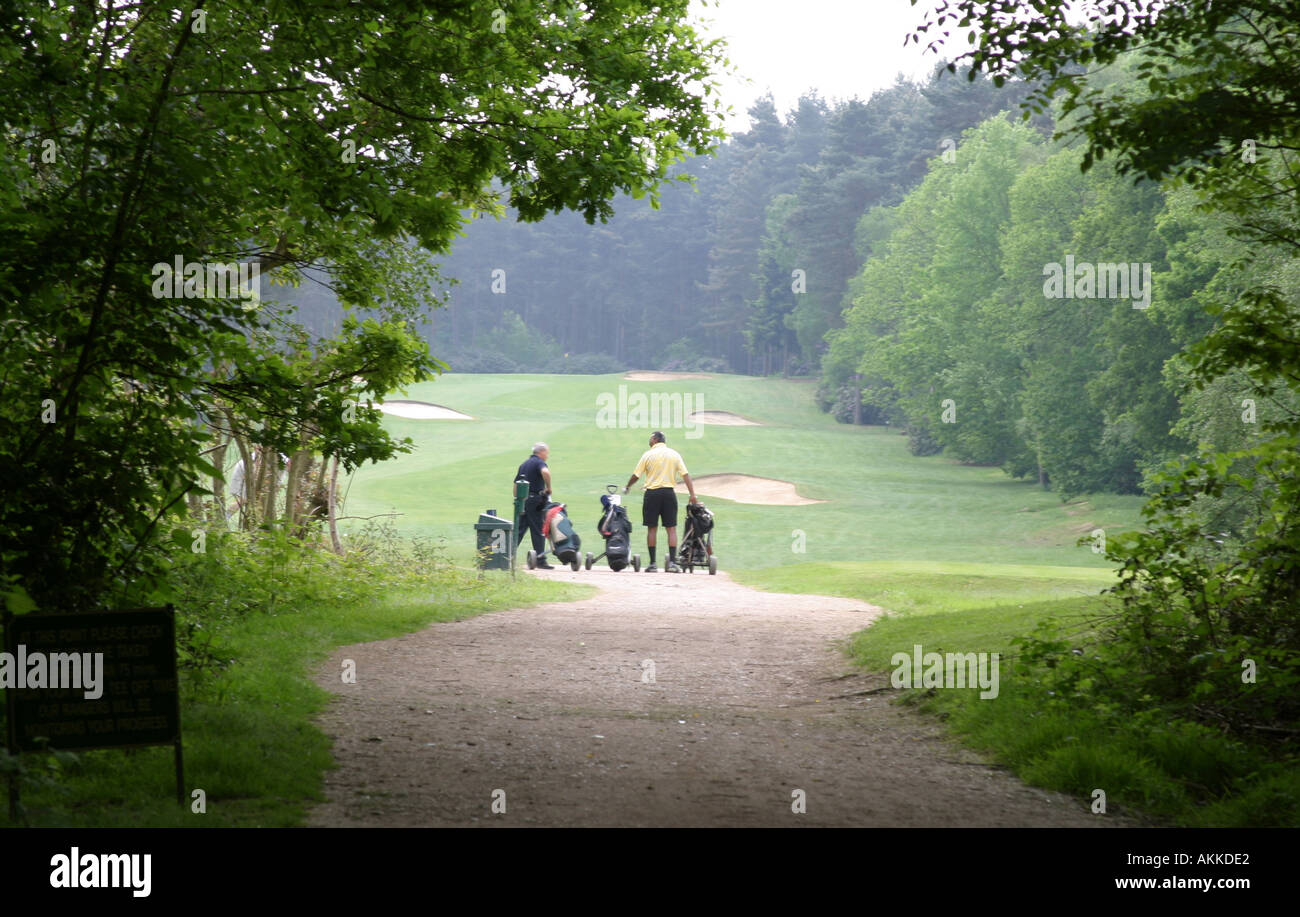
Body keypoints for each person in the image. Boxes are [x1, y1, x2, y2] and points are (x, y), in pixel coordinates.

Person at [624, 431, 697, 573]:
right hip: (669, 494)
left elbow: (636, 475)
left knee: (652, 528)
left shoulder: (648, 455)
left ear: (656, 439)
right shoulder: (674, 454)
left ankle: (652, 564)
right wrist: (692, 494)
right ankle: (672, 564)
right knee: (671, 529)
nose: (649, 440)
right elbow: (685, 475)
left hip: (652, 494)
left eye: (650, 437)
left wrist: (627, 486)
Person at [515, 442, 555, 570]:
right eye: (546, 453)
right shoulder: (539, 462)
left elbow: (516, 485)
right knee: (538, 529)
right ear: (541, 452)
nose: (547, 456)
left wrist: (519, 499)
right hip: (535, 500)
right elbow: (546, 473)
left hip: (523, 500)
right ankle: (540, 560)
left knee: (519, 530)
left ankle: (506, 556)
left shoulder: (524, 465)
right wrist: (548, 488)